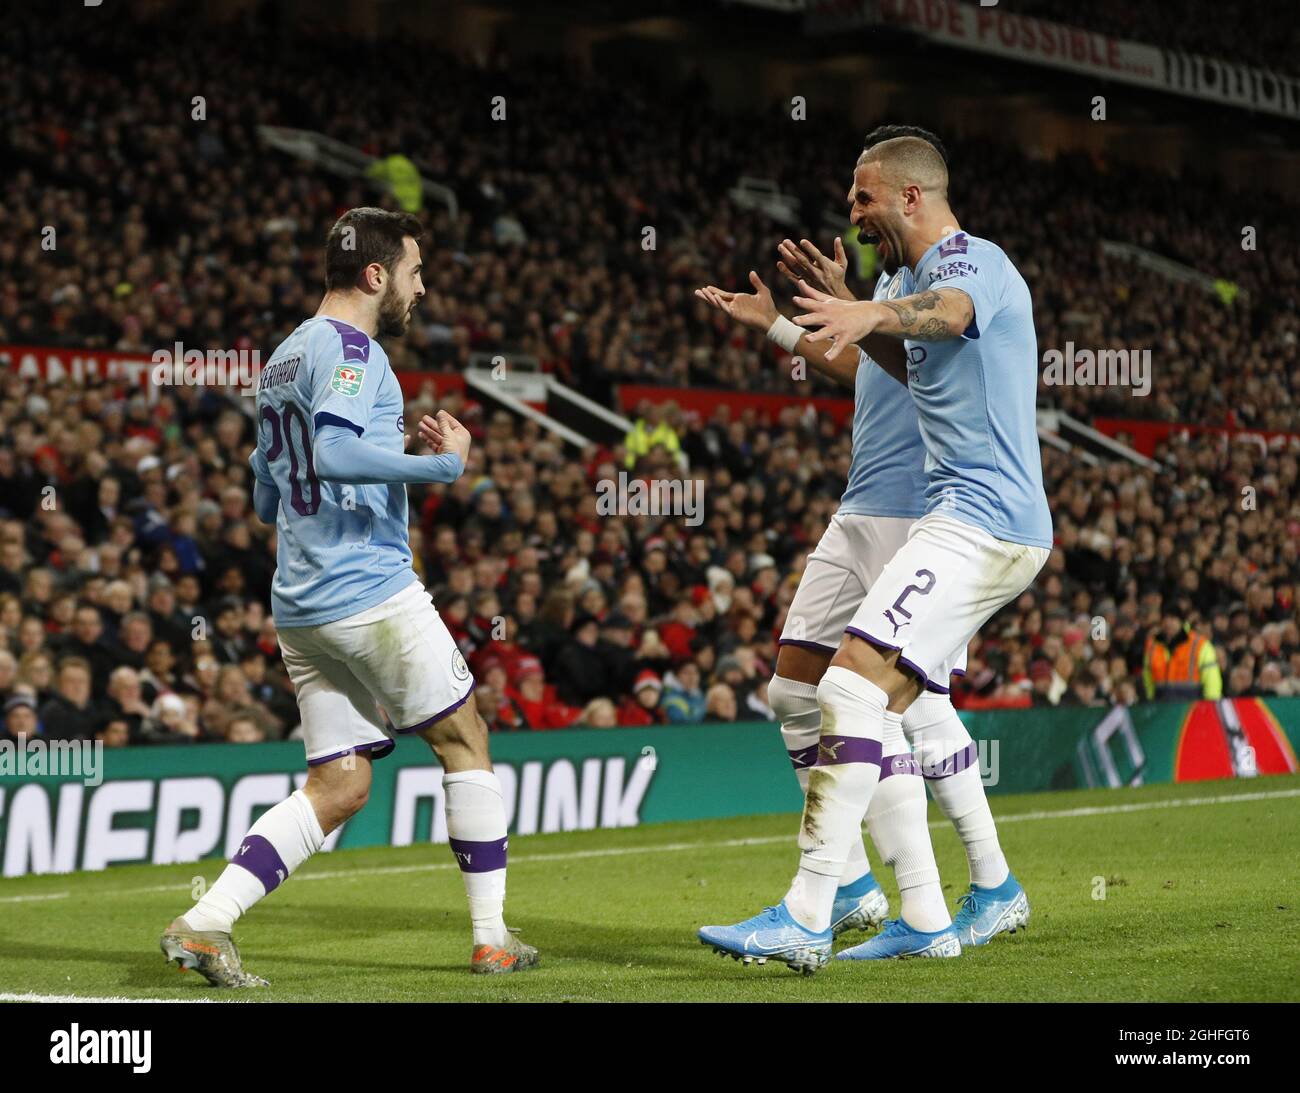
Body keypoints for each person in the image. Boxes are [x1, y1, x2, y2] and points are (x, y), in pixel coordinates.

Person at [698, 132, 1050, 971]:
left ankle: (836, 907)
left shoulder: (972, 262)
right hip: (946, 517)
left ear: (912, 197)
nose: (851, 212)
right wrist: (796, 325)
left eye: (864, 197)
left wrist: (869, 308)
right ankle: (886, 908)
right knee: (822, 687)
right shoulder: (903, 282)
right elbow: (897, 364)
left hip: (976, 517)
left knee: (866, 692)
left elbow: (953, 318)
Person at [159, 207, 537, 988]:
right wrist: (442, 469)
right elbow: (332, 452)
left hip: (301, 604)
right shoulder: (355, 348)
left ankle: (204, 922)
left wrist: (386, 458)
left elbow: (268, 495)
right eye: (414, 271)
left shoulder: (285, 356)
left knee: (341, 784)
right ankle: (492, 936)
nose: (420, 287)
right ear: (376, 275)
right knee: (465, 740)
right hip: (368, 593)